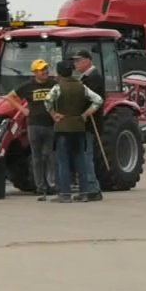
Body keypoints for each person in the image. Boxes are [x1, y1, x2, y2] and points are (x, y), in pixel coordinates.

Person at [45, 59, 103, 203]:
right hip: (79, 127)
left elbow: (47, 100)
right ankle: (84, 193)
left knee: (63, 161)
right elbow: (98, 100)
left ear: (59, 73)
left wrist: (54, 114)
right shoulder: (81, 87)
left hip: (63, 127)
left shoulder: (58, 88)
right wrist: (85, 114)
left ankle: (65, 194)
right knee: (80, 160)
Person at [5, 58, 57, 200]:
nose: (45, 71)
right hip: (34, 125)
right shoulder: (28, 86)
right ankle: (40, 187)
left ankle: (51, 184)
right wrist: (23, 109)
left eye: (46, 68)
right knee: (37, 157)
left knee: (49, 155)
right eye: (41, 70)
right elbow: (10, 97)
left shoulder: (54, 84)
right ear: (35, 72)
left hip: (50, 125)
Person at [72, 49, 105, 201]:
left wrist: (83, 113)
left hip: (89, 124)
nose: (75, 63)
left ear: (87, 61)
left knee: (86, 157)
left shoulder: (94, 78)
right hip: (83, 124)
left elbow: (92, 100)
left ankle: (92, 188)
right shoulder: (85, 77)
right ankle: (88, 187)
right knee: (83, 156)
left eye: (78, 60)